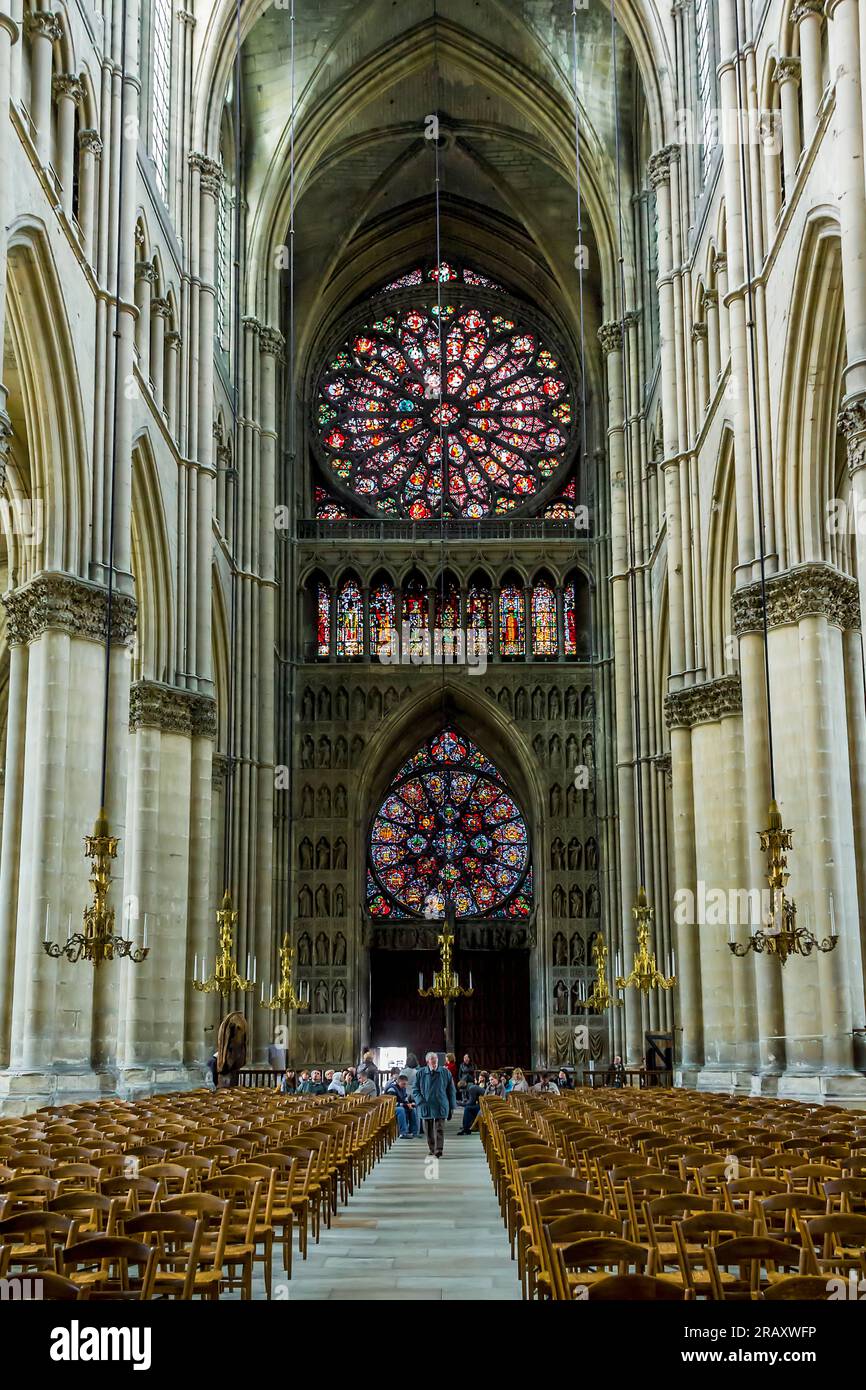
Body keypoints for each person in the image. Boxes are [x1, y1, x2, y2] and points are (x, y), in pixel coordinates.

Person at [413, 1051, 457, 1158]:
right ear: (427, 1062)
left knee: (439, 1128)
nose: (434, 1064)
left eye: (436, 1061)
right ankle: (432, 1148)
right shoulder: (420, 1073)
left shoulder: (445, 1072)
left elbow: (451, 1090)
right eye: (432, 1062)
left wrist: (452, 1106)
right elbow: (415, 1089)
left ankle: (439, 1150)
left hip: (441, 1104)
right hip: (426, 1105)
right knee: (428, 1130)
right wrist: (420, 1101)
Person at [383, 1070, 418, 1137]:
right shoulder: (391, 1089)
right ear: (398, 1082)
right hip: (389, 1107)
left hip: (399, 1105)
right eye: (403, 1084)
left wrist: (409, 1104)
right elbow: (392, 1103)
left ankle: (414, 1132)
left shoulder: (403, 1088)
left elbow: (404, 1099)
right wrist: (405, 1105)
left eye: (405, 1084)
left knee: (413, 1109)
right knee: (401, 1110)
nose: (405, 1086)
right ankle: (403, 1133)